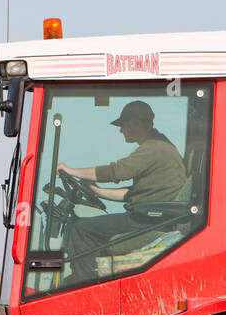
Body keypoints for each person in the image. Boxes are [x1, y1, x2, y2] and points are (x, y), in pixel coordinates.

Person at [58, 99, 186, 282]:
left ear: (135, 123)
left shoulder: (154, 148)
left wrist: (70, 171)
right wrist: (98, 191)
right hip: (150, 216)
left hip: (147, 220)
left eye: (122, 125)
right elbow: (136, 194)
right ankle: (92, 279)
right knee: (88, 228)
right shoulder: (159, 146)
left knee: (81, 229)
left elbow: (116, 171)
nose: (120, 130)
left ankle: (84, 285)